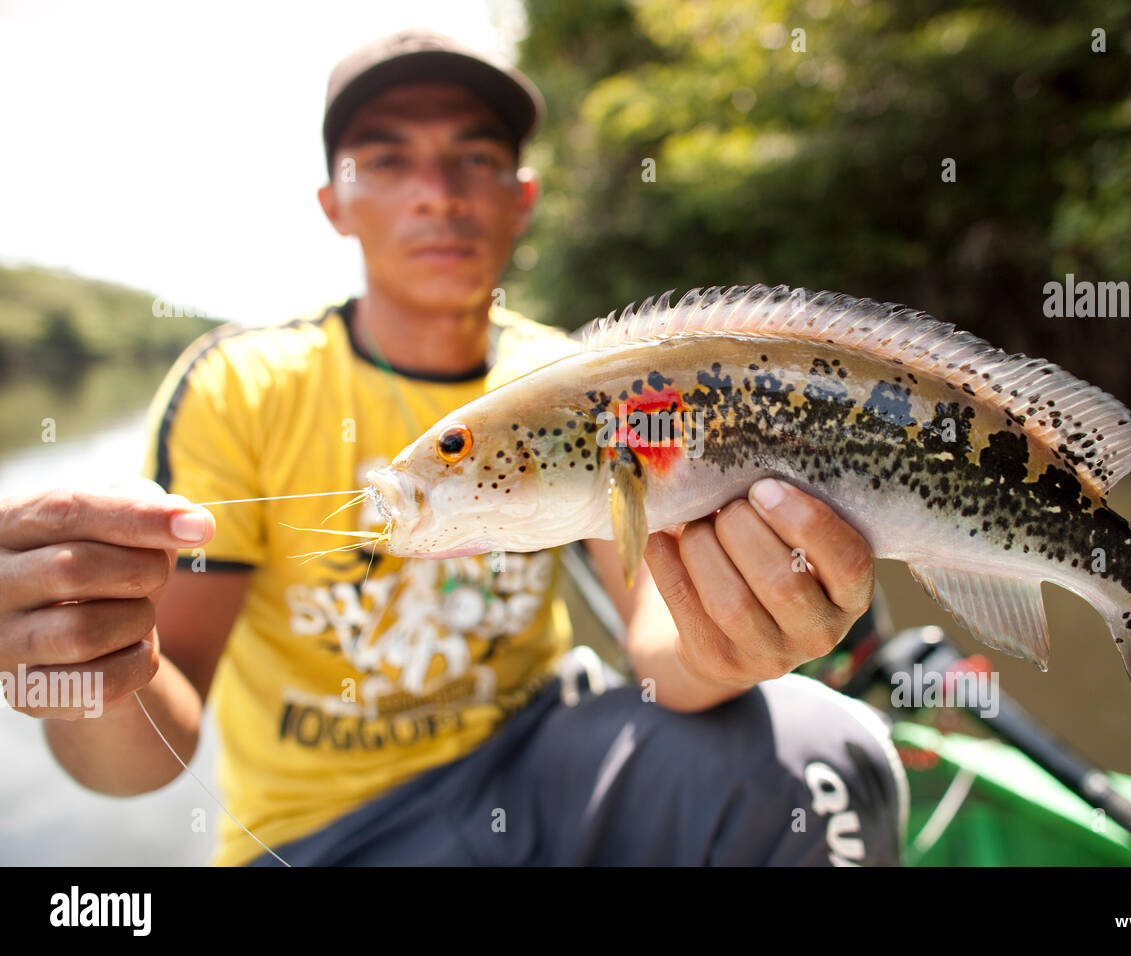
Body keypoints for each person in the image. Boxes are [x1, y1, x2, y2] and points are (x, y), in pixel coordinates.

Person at [0, 29, 905, 866]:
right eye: (387, 159)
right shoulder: (241, 387)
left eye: (474, 156)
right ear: (335, 204)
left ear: (521, 198)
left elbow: (659, 646)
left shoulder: (585, 375)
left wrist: (734, 639)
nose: (437, 192)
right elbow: (144, 762)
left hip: (544, 760)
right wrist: (88, 667)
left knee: (829, 752)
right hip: (333, 836)